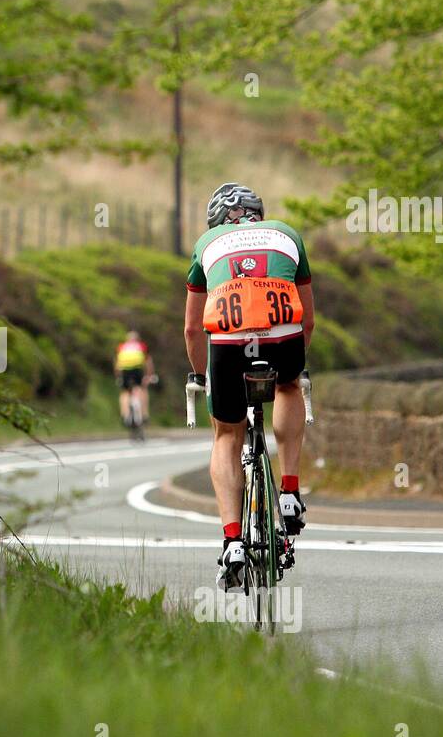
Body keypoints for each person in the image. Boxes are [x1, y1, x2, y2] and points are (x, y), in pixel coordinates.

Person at [182, 182, 315, 591]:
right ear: (258, 212)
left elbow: (190, 329)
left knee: (226, 433)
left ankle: (233, 540)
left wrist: (202, 377)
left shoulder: (207, 243)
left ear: (218, 221)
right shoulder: (287, 233)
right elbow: (308, 320)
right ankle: (289, 491)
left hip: (227, 342)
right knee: (289, 388)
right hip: (283, 332)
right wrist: (295, 368)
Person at [113, 331, 155, 427]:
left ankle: (125, 415)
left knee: (125, 392)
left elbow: (117, 364)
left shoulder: (121, 347)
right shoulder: (141, 346)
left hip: (124, 371)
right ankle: (144, 415)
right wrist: (149, 376)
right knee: (142, 389)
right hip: (137, 370)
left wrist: (118, 377)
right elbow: (148, 362)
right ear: (137, 339)